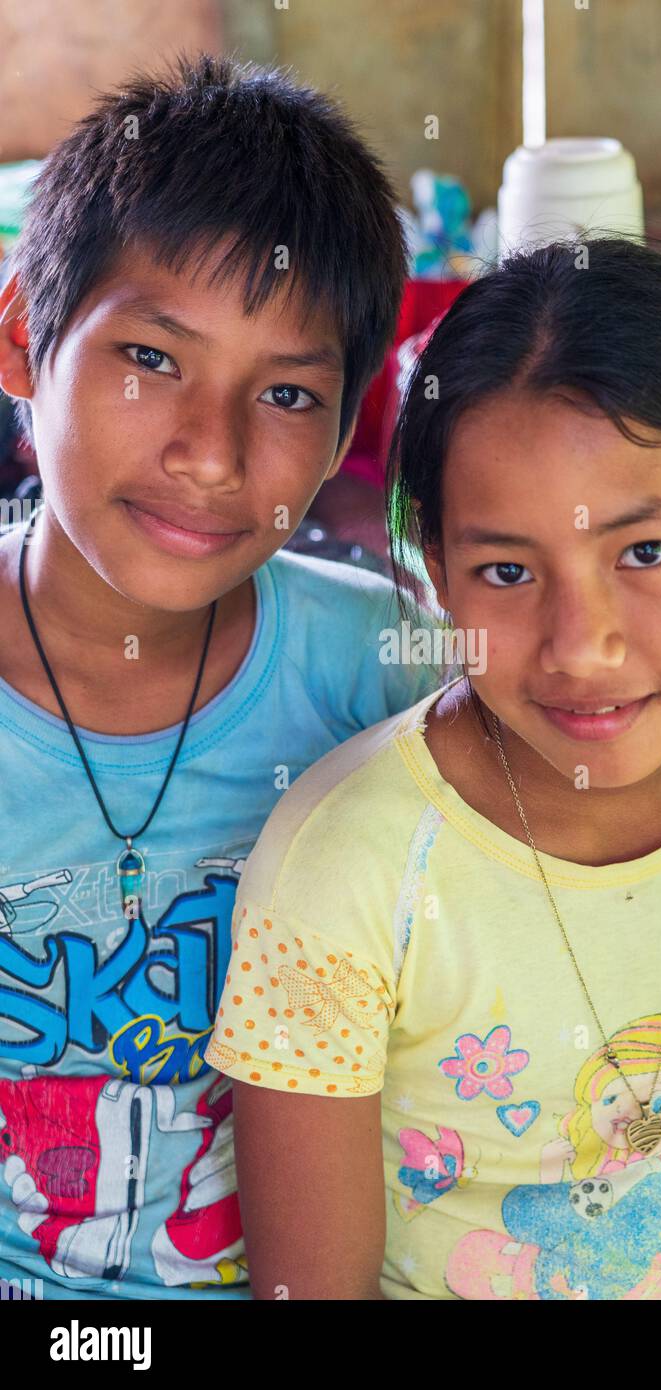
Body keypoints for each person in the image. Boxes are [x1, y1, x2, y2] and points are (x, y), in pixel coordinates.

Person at [207, 235, 661, 1302]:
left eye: (642, 552)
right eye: (506, 570)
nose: (579, 644)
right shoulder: (348, 865)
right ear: (429, 569)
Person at [0, 52, 442, 1301]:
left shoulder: (386, 669)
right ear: (29, 340)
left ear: (348, 420)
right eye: (151, 357)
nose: (212, 452)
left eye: (288, 391)